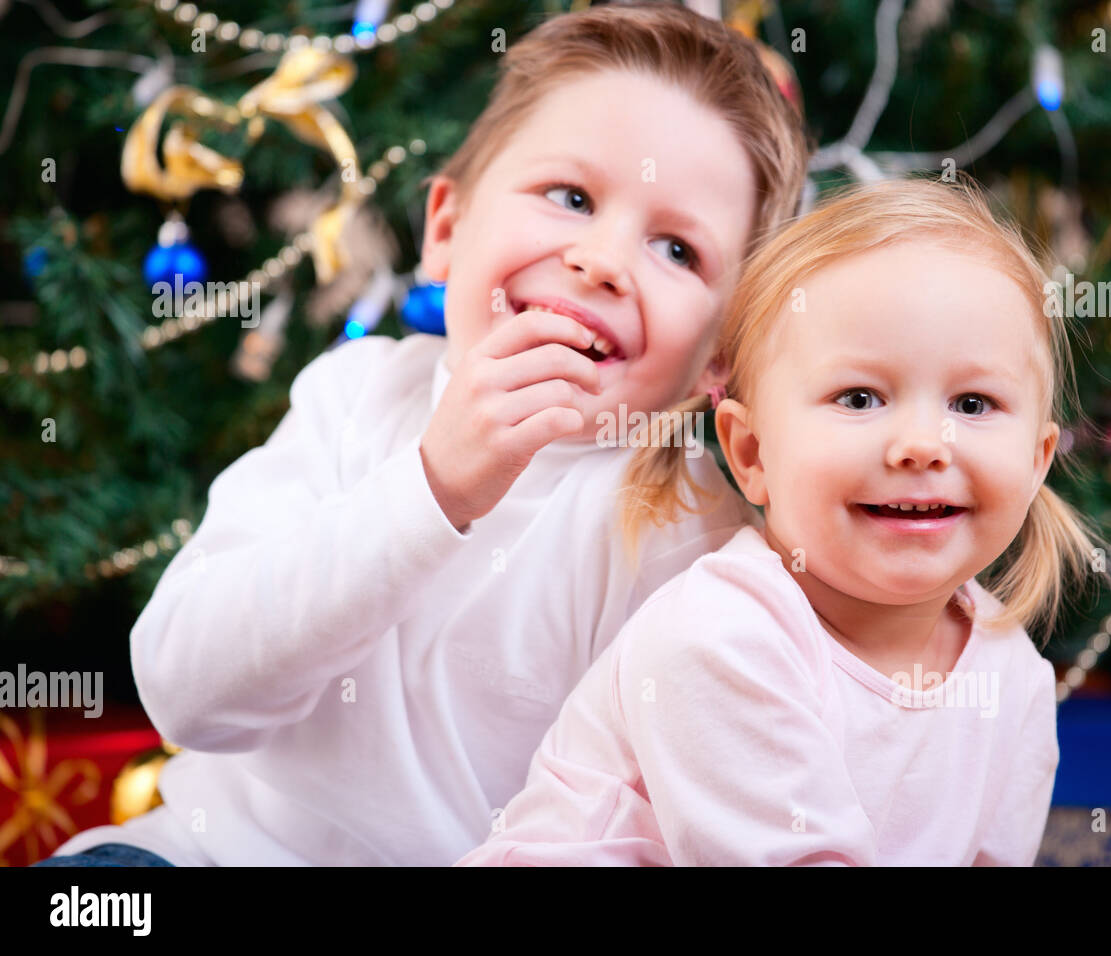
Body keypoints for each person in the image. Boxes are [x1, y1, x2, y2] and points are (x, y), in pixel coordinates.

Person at [38, 2, 808, 866]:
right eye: (571, 196)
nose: (603, 259)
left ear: (719, 358)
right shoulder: (355, 395)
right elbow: (185, 690)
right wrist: (432, 488)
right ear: (445, 230)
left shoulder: (686, 537)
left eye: (677, 250)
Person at [455, 176, 1107, 866]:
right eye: (859, 396)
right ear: (751, 452)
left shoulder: (1014, 680)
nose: (922, 443)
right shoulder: (720, 638)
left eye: (973, 405)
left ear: (1037, 461)